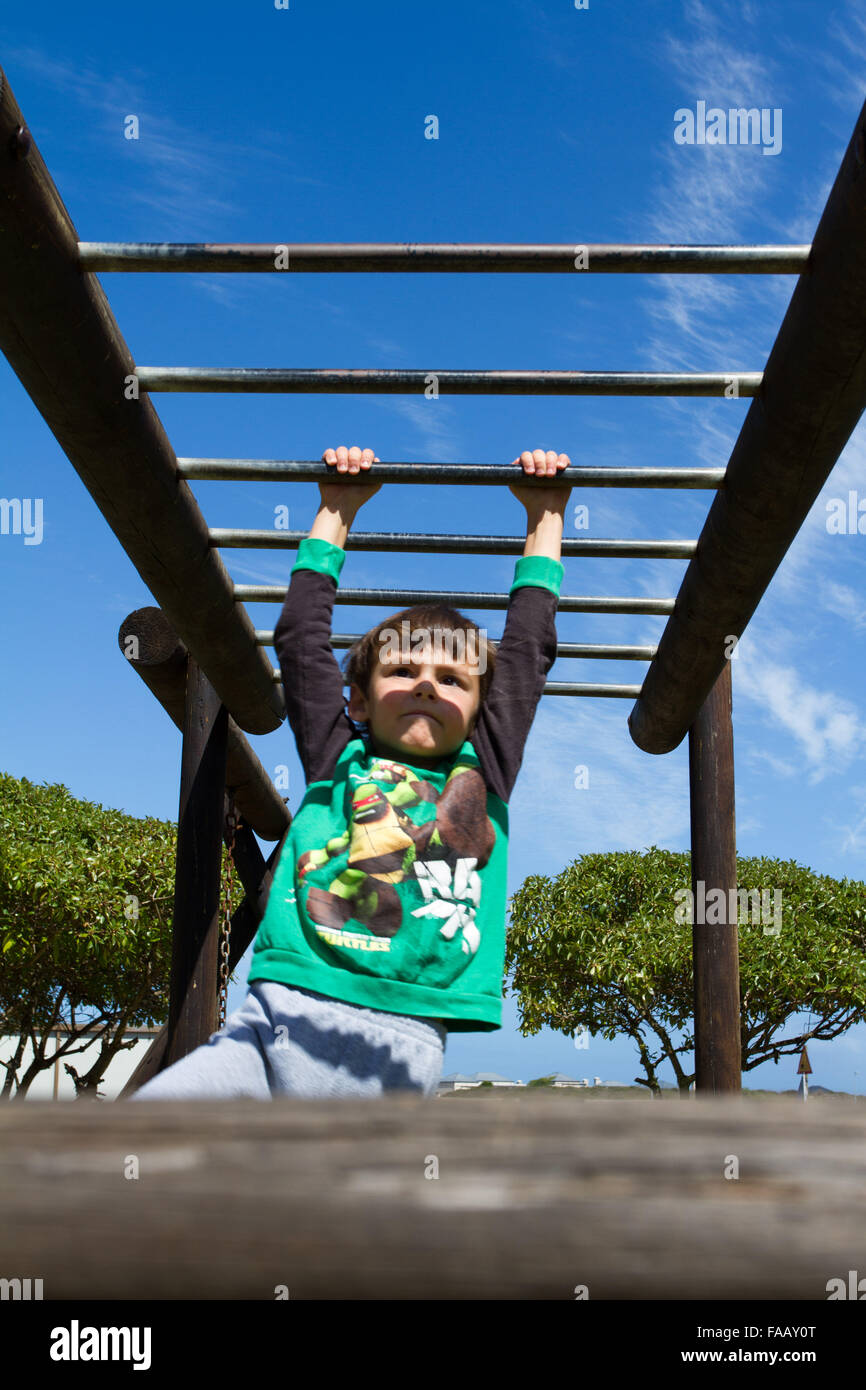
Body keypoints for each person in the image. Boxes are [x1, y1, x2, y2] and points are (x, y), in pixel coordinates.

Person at [129, 445, 571, 1102]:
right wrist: (336, 510)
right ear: (358, 700)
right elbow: (300, 641)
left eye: (452, 679)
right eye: (403, 671)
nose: (426, 684)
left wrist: (545, 519)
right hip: (277, 1020)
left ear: (481, 713)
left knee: (338, 1204)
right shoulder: (340, 758)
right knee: (140, 1135)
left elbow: (529, 650)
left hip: (401, 1047)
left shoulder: (485, 772)